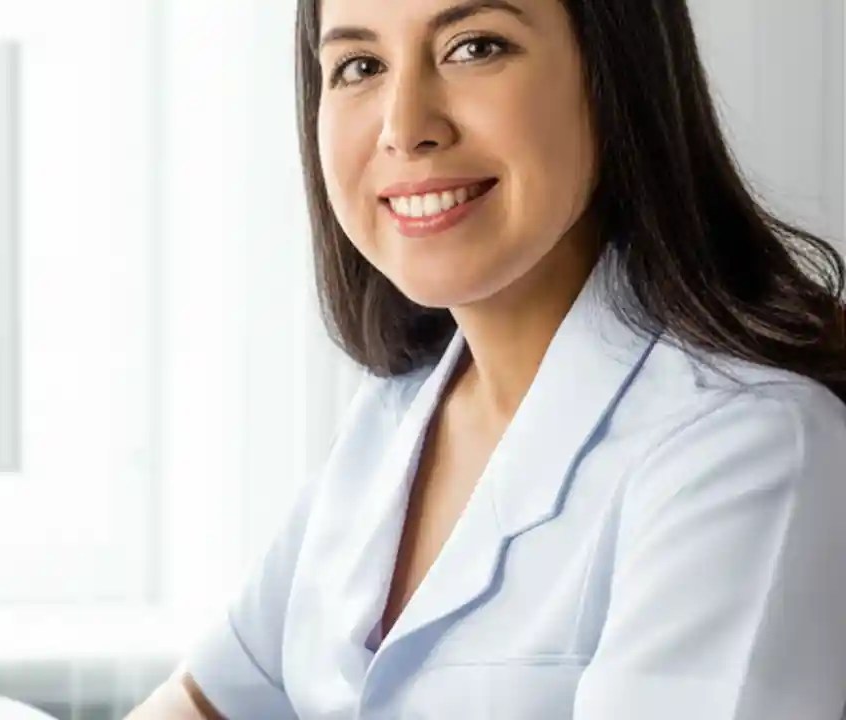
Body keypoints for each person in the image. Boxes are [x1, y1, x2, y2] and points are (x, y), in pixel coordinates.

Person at [127, 0, 846, 716]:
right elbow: (202, 700)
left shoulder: (750, 451)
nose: (404, 126)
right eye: (360, 65)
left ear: (616, 72)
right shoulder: (395, 414)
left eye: (475, 47)